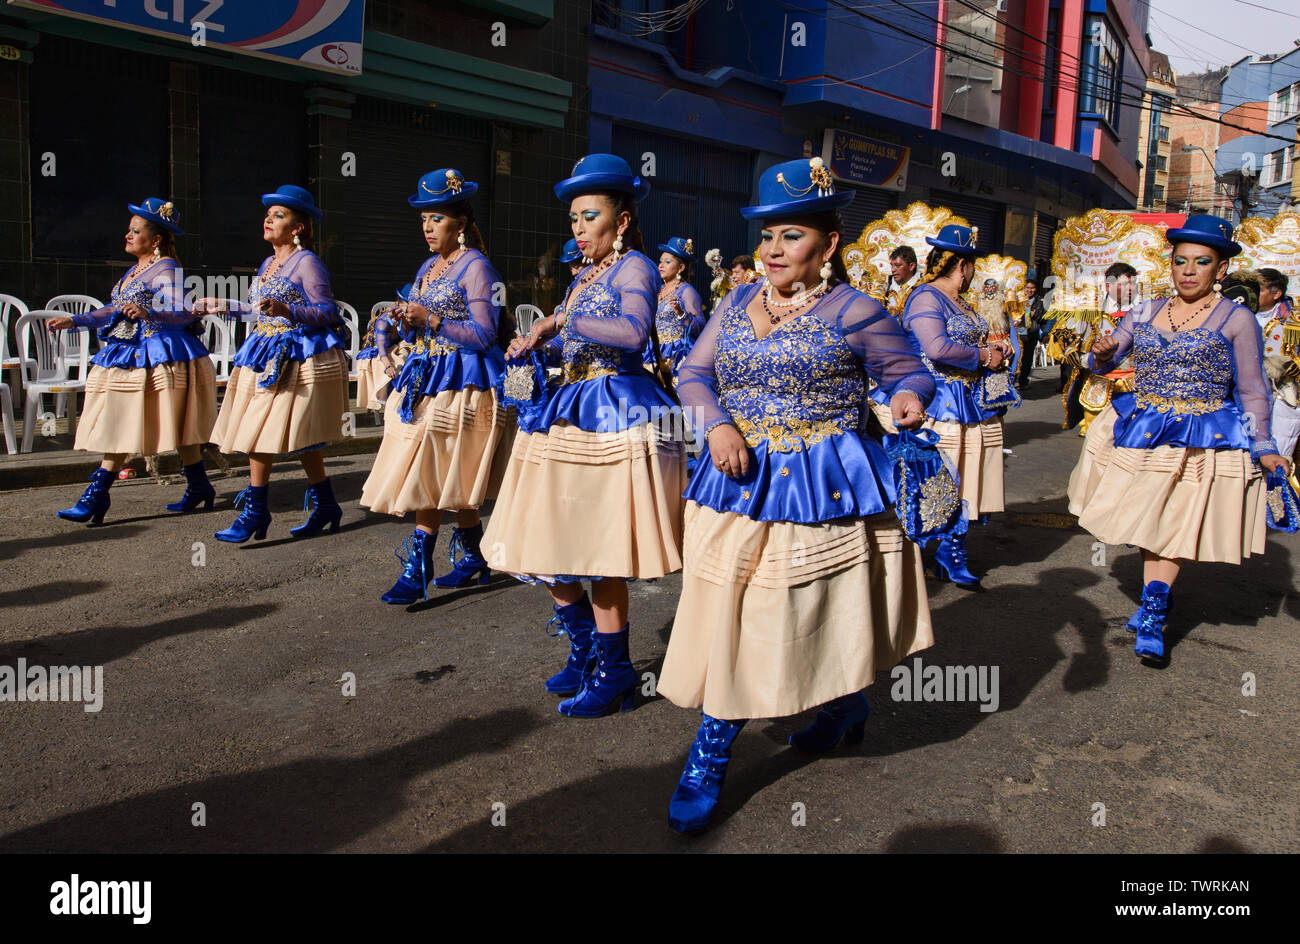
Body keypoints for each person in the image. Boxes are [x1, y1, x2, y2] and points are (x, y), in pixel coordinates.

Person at [655, 157, 936, 833]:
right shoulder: (731, 303)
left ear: (829, 244)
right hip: (735, 483)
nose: (774, 250)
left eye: (792, 236)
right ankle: (837, 710)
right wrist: (717, 423)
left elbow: (910, 371)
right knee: (724, 610)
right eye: (768, 236)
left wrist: (903, 397)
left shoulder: (857, 309)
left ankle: (718, 749)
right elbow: (692, 375)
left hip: (822, 486)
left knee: (789, 615)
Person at [484, 153, 687, 717]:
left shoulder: (636, 268)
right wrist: (535, 344)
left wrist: (557, 321)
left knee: (598, 550)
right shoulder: (588, 275)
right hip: (567, 406)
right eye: (573, 217)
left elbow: (633, 333)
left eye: (589, 216)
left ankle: (617, 669)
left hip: (614, 411)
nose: (577, 228)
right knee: (552, 543)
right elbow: (575, 341)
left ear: (621, 221)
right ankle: (583, 652)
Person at [1067, 215, 1290, 665]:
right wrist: (1101, 353)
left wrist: (1264, 445)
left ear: (1221, 269)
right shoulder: (1145, 310)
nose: (1188, 270)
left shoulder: (1238, 318)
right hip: (1142, 431)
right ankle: (1156, 597)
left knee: (1170, 527)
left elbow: (1251, 388)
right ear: (1170, 264)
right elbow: (1105, 360)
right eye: (1180, 260)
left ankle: (1153, 612)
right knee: (1150, 522)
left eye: (1202, 262)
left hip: (1200, 438)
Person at [359, 169, 513, 601]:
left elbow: (484, 335)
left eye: (437, 219)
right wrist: (400, 323)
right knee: (446, 471)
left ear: (459, 224)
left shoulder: (478, 268)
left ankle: (419, 564)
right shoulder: (429, 265)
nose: (427, 227)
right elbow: (421, 325)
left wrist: (432, 319)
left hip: (464, 384)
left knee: (430, 466)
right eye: (424, 218)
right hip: (427, 378)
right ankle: (472, 557)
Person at [50, 198, 217, 524]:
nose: (127, 235)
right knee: (172, 428)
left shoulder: (166, 267)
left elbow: (185, 310)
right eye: (128, 230)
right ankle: (199, 486)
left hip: (160, 356)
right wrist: (76, 321)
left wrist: (150, 311)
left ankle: (96, 495)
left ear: (155, 240)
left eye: (135, 231)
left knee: (124, 420)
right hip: (133, 353)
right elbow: (114, 310)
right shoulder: (134, 270)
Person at [199, 185, 350, 542]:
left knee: (257, 430)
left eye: (278, 215)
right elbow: (259, 309)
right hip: (263, 351)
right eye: (268, 214)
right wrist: (225, 304)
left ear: (298, 227)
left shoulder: (308, 262)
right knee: (301, 440)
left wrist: (290, 310)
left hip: (296, 356)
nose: (268, 219)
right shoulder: (269, 263)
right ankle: (326, 504)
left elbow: (328, 311)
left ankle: (256, 511)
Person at [879, 223, 1017, 589]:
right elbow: (937, 349)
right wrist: (985, 355)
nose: (974, 273)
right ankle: (922, 550)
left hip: (970, 402)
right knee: (941, 480)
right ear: (962, 264)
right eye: (972, 265)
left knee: (968, 478)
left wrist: (997, 350)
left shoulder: (961, 301)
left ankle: (951, 550)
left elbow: (977, 340)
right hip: (937, 403)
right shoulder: (926, 297)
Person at [644, 236, 705, 377]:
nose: (661, 265)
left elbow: (700, 326)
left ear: (681, 268)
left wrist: (681, 313)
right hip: (651, 352)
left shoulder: (686, 291)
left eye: (667, 262)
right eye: (660, 261)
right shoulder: (657, 289)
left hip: (673, 355)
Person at [1257, 268, 1300, 461]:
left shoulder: (1293, 321)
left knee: (1280, 451)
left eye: (1260, 289)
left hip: (1283, 394)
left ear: (1276, 294)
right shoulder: (1235, 315)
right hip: (1247, 393)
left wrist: (1296, 364)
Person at [354, 284, 410, 412]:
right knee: (396, 363)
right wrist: (387, 365)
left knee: (407, 353)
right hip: (377, 352)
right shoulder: (384, 321)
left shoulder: (408, 319)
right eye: (405, 305)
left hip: (394, 348)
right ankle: (388, 400)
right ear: (397, 303)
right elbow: (381, 346)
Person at [1017, 275, 1047, 389]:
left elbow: (1043, 318)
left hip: (1031, 334)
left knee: (1027, 359)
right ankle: (1011, 380)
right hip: (1017, 333)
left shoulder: (1040, 301)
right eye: (1027, 287)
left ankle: (1023, 381)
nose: (1029, 290)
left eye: (1032, 288)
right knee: (1015, 358)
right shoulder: (1017, 299)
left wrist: (1045, 334)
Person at [885, 245, 919, 316]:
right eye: (892, 265)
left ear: (911, 266)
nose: (893, 269)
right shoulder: (886, 284)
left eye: (897, 265)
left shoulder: (923, 285)